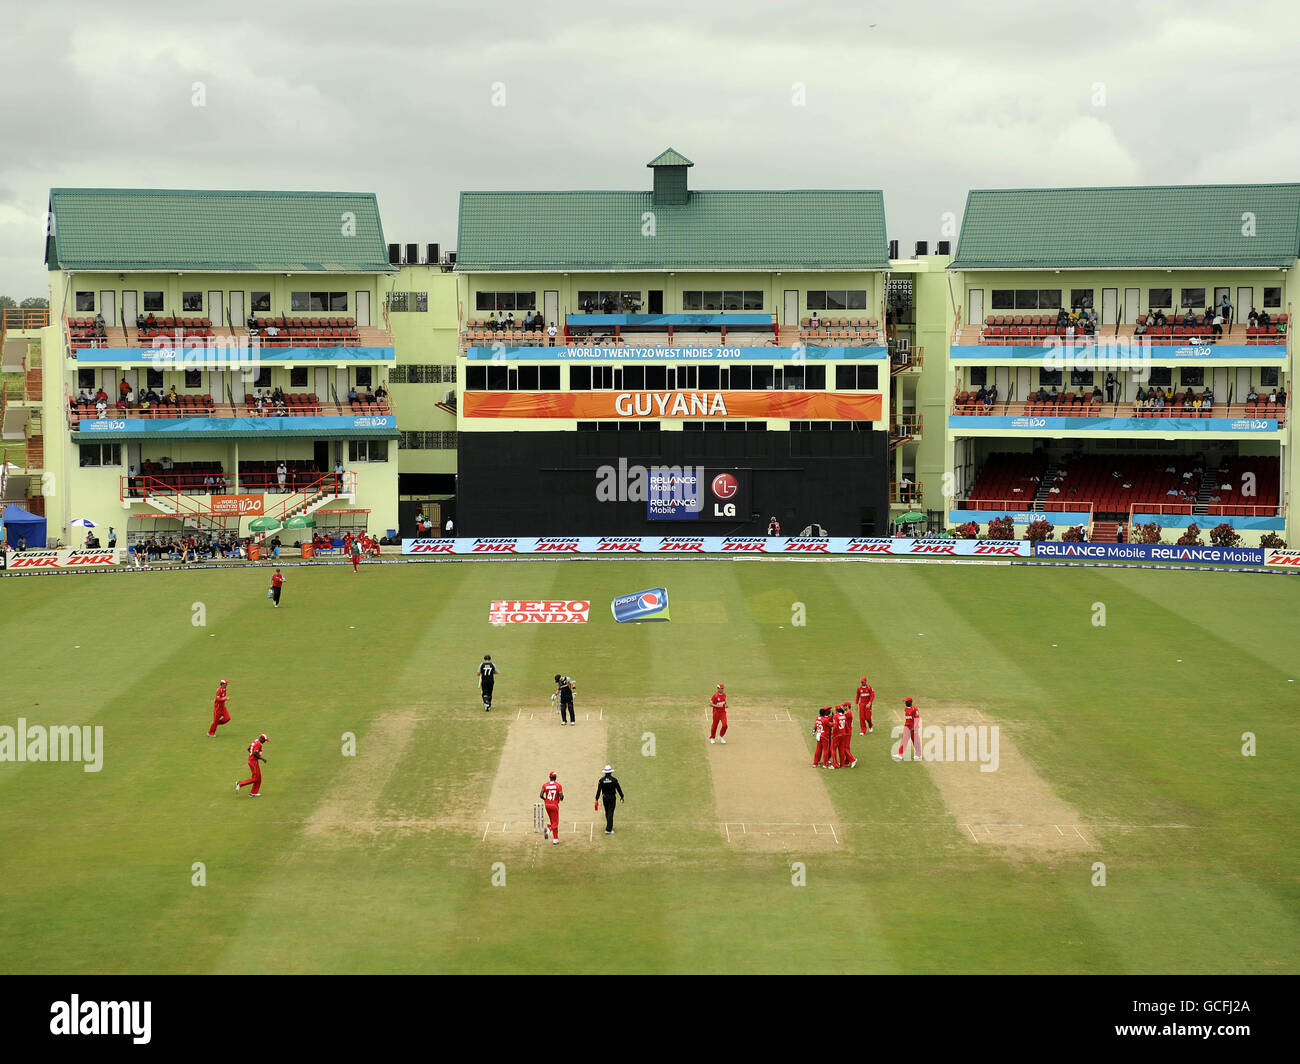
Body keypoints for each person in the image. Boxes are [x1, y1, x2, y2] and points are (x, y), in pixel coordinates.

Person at [594, 765, 624, 835]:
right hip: (612, 798)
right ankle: (608, 829)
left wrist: (596, 799)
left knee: (607, 812)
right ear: (610, 772)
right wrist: (622, 796)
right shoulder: (614, 780)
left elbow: (599, 791)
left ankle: (609, 826)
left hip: (605, 798)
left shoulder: (601, 780)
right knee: (611, 812)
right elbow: (619, 789)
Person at [893, 697, 922, 762]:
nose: (905, 703)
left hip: (913, 728)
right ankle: (900, 754)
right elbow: (908, 719)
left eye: (906, 701)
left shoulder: (915, 709)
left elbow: (917, 719)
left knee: (915, 741)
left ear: (910, 702)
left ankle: (918, 755)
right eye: (905, 701)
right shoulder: (905, 709)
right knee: (904, 740)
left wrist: (914, 728)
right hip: (907, 727)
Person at [539, 771, 563, 844]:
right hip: (554, 805)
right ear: (555, 777)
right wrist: (561, 798)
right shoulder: (558, 785)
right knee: (555, 823)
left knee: (553, 822)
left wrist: (545, 799)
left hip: (547, 805)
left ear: (549, 777)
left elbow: (541, 795)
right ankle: (549, 829)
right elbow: (561, 796)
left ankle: (555, 839)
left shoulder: (545, 785)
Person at [833, 702, 856, 768]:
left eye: (844, 706)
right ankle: (847, 761)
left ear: (847, 706)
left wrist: (834, 715)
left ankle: (852, 760)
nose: (843, 708)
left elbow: (840, 718)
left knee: (844, 747)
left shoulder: (848, 714)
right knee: (847, 747)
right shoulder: (849, 713)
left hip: (847, 732)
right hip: (848, 731)